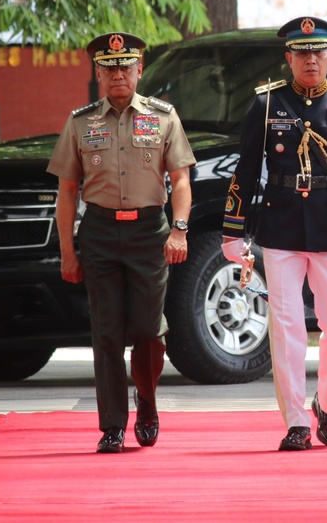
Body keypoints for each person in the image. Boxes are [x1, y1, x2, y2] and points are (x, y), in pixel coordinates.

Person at [221, 16, 327, 451]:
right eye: (302, 53)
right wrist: (234, 231)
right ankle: (295, 421)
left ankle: (326, 404)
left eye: (318, 53)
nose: (310, 60)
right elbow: (246, 170)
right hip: (281, 225)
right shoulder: (268, 104)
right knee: (287, 326)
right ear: (288, 58)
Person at [47, 31, 195, 454]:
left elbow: (181, 180)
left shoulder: (163, 117)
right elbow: (67, 193)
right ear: (98, 72)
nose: (117, 75)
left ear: (139, 70)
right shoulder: (81, 123)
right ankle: (112, 424)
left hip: (150, 232)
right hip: (99, 233)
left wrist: (179, 228)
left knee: (149, 331)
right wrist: (68, 252)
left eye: (125, 67)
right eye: (109, 68)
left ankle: (146, 402)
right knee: (106, 332)